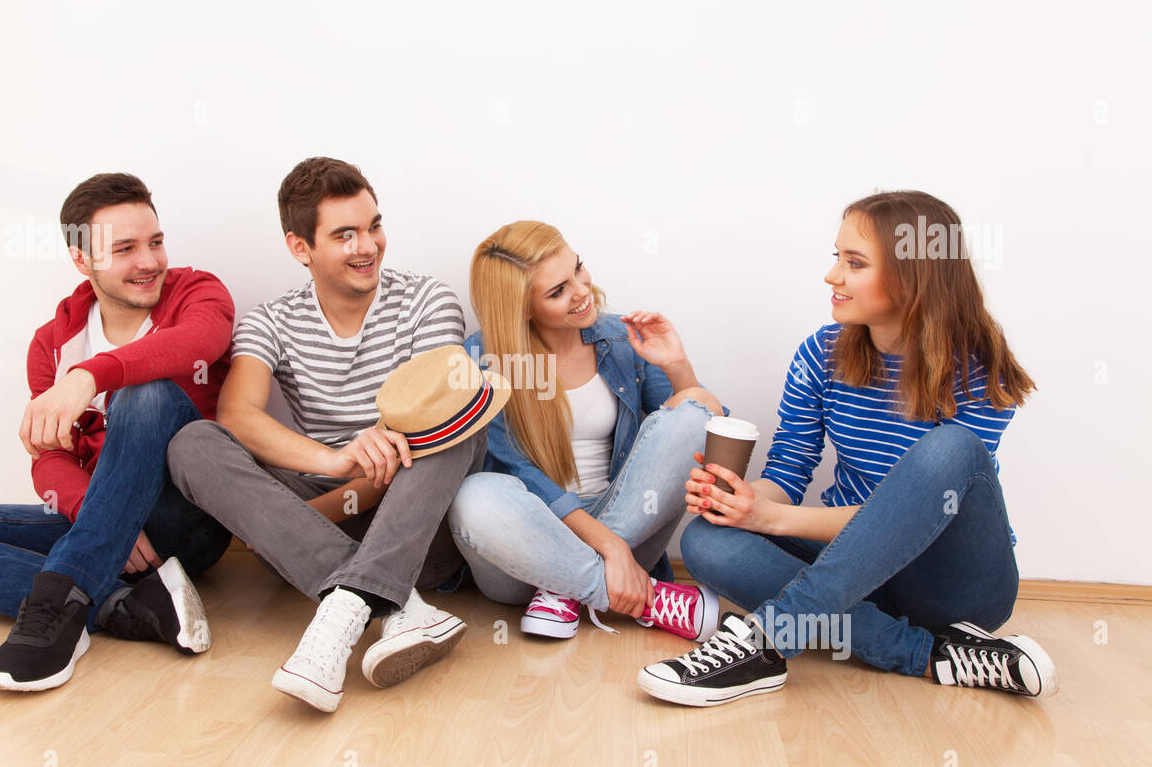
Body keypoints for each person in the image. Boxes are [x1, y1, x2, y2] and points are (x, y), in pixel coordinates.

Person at [639, 190, 1057, 707]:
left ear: (912, 276)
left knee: (952, 448)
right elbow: (788, 474)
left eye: (854, 263)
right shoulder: (821, 352)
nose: (832, 276)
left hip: (950, 585)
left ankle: (765, 640)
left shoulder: (979, 368)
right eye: (836, 257)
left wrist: (772, 521)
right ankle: (928, 655)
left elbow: (916, 519)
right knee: (706, 541)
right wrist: (746, 503)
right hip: (851, 577)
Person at [0, 172, 234, 691]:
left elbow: (200, 342)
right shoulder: (52, 342)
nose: (149, 261)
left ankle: (58, 607)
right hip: (102, 523)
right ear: (82, 259)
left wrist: (91, 375)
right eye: (125, 248)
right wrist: (103, 516)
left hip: (183, 522)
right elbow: (49, 456)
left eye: (155, 242)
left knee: (147, 391)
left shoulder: (195, 293)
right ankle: (123, 605)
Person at [167, 156, 487, 714]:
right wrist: (338, 462)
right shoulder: (268, 320)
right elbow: (237, 414)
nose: (367, 246)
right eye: (345, 234)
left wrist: (349, 490)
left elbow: (432, 417)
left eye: (374, 226)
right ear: (300, 247)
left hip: (416, 527)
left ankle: (343, 612)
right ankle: (397, 608)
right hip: (307, 521)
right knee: (192, 443)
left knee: (462, 420)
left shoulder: (427, 300)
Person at [448, 220, 728, 642]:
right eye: (558, 291)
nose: (581, 290)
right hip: (525, 547)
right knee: (475, 495)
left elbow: (705, 429)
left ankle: (566, 590)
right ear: (522, 308)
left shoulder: (619, 338)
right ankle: (647, 599)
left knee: (699, 409)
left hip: (626, 525)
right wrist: (610, 549)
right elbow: (518, 472)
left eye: (578, 269)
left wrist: (675, 364)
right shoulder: (485, 359)